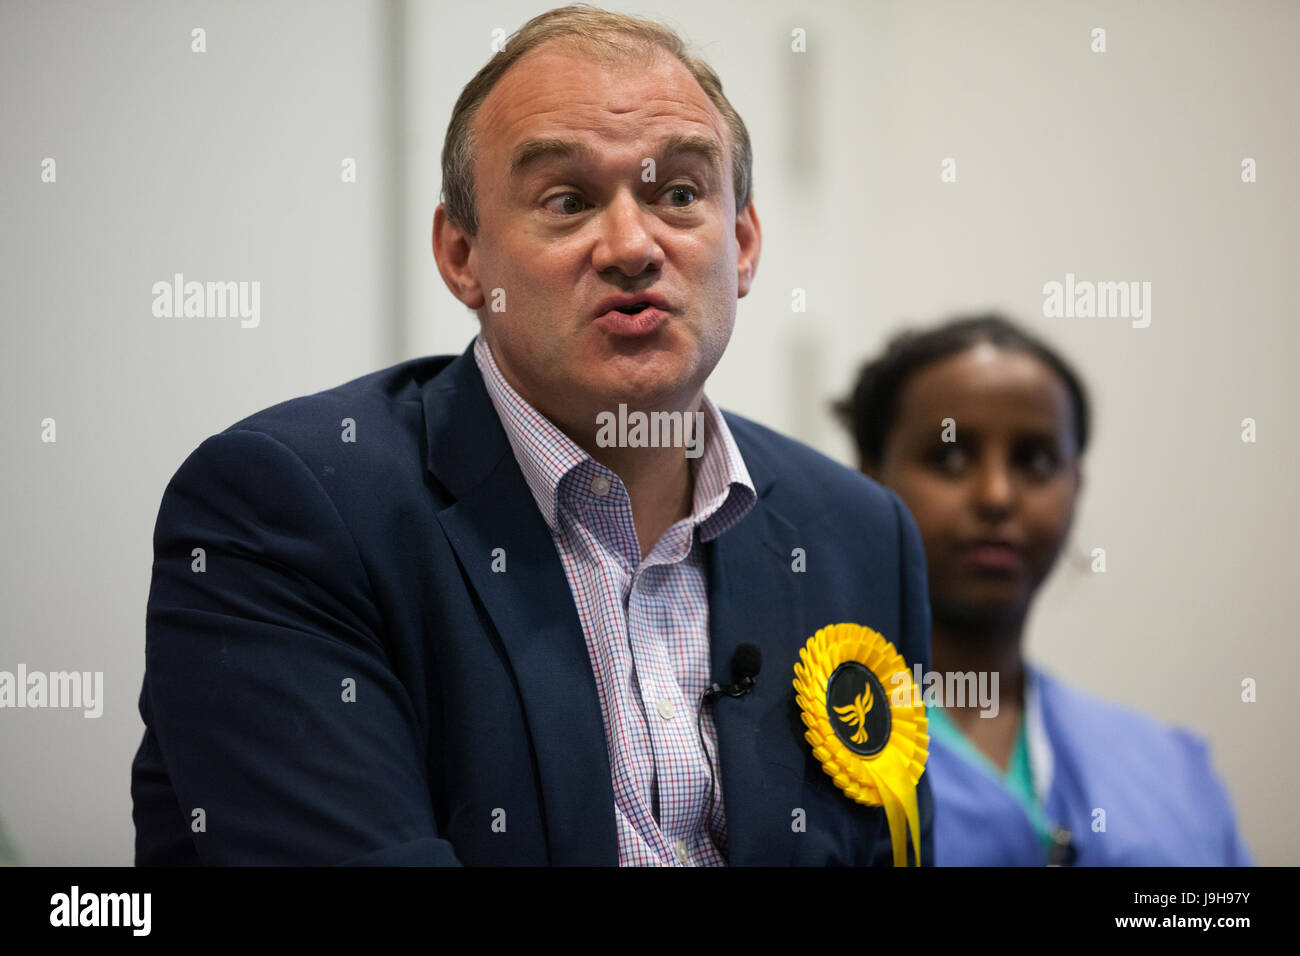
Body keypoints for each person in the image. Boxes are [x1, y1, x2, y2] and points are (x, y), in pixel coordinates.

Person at [130, 4, 935, 866]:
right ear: (462, 255)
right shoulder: (287, 509)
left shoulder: (856, 535)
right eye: (567, 200)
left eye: (679, 195)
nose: (632, 246)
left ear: (741, 245)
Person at [836, 313, 1253, 865]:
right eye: (950, 456)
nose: (996, 495)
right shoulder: (805, 752)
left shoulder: (1172, 770)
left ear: (1075, 487)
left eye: (1034, 461)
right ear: (870, 480)